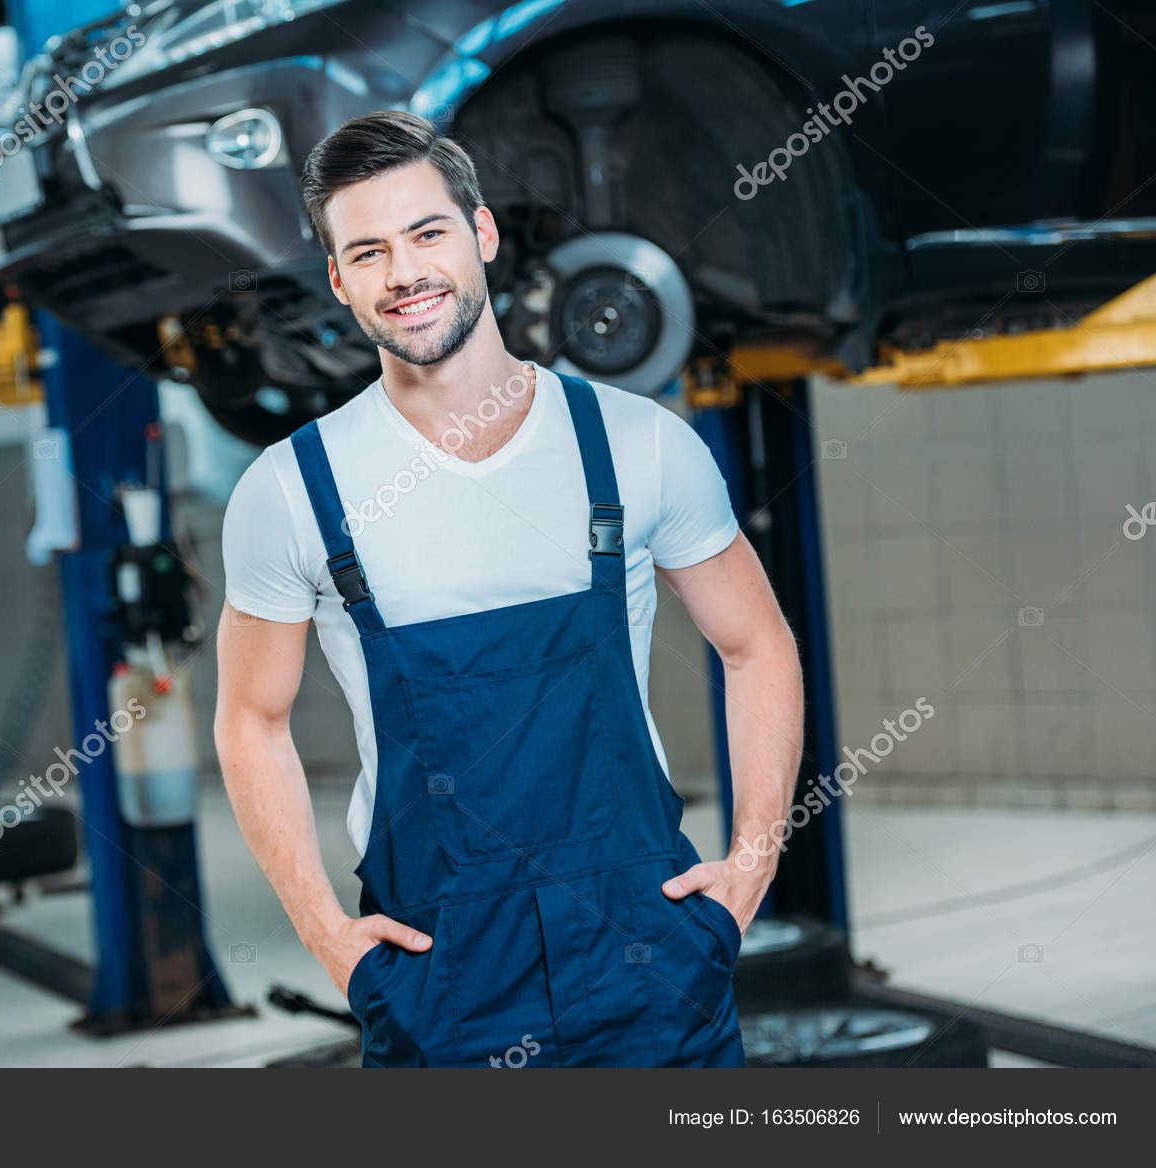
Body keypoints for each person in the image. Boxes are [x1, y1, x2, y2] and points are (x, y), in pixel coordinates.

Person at [214, 110, 803, 1067]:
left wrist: (751, 864)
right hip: (442, 984)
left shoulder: (636, 444)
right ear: (338, 279)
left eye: (428, 233)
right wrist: (327, 935)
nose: (404, 273)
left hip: (651, 966)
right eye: (367, 251)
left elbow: (757, 644)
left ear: (482, 235)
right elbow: (250, 721)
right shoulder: (290, 492)